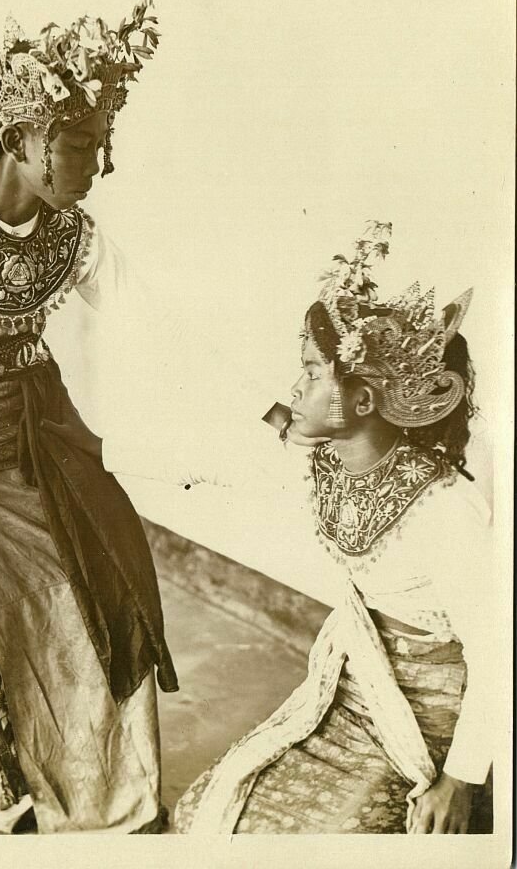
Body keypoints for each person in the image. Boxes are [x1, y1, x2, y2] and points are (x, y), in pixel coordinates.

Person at [102, 221, 494, 834]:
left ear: (362, 402)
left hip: (427, 722)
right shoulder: (322, 465)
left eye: (312, 375)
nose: (295, 387)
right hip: (351, 689)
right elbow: (216, 443)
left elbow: (504, 654)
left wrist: (461, 782)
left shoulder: (442, 508)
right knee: (209, 811)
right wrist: (91, 453)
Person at [0, 0, 178, 834]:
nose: (97, 165)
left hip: (34, 439)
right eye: (80, 144)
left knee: (101, 575)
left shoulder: (76, 237)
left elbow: (156, 324)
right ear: (23, 136)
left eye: (101, 143)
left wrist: (263, 415)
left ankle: (108, 793)